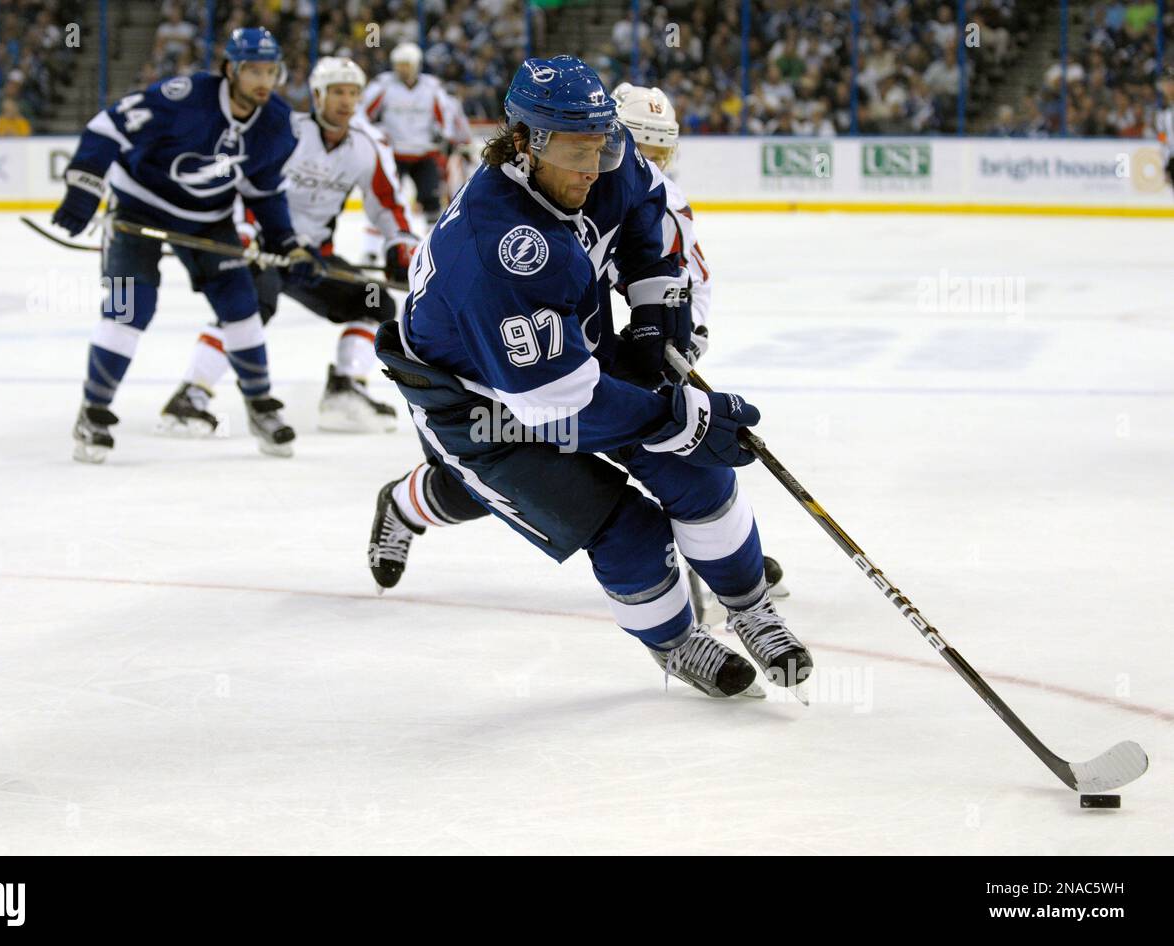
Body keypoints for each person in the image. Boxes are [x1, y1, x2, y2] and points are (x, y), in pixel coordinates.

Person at [371, 56, 811, 698]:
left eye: (601, 147)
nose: (592, 168)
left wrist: (658, 315)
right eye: (575, 152)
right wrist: (680, 419)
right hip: (476, 413)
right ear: (523, 142)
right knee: (618, 524)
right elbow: (557, 407)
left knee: (696, 471)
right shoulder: (498, 251)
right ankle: (677, 643)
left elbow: (645, 208)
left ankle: (750, 607)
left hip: (568, 359)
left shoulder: (604, 146)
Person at [52, 28, 312, 462]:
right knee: (127, 307)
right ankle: (93, 412)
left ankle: (261, 407)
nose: (264, 80)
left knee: (241, 305)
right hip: (137, 210)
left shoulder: (276, 125)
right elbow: (106, 127)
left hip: (210, 221)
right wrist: (84, 186)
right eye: (253, 70)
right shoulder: (183, 98)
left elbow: (264, 192)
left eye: (271, 70)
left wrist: (286, 242)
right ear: (230, 70)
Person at [159, 56, 420, 436]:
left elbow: (389, 205)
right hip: (265, 247)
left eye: (352, 93)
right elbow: (242, 184)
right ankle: (189, 397)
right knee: (247, 309)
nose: (346, 102)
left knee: (373, 300)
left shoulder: (367, 146)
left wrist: (400, 246)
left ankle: (345, 390)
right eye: (336, 93)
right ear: (316, 95)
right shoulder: (285, 133)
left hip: (312, 258)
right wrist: (244, 236)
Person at [360, 41, 472, 264]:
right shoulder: (383, 86)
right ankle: (371, 249)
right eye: (399, 64)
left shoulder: (431, 88)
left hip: (424, 154)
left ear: (417, 64)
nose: (403, 69)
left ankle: (436, 248)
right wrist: (375, 135)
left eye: (407, 64)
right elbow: (362, 114)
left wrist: (445, 136)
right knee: (384, 201)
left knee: (431, 202)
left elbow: (444, 117)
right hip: (393, 155)